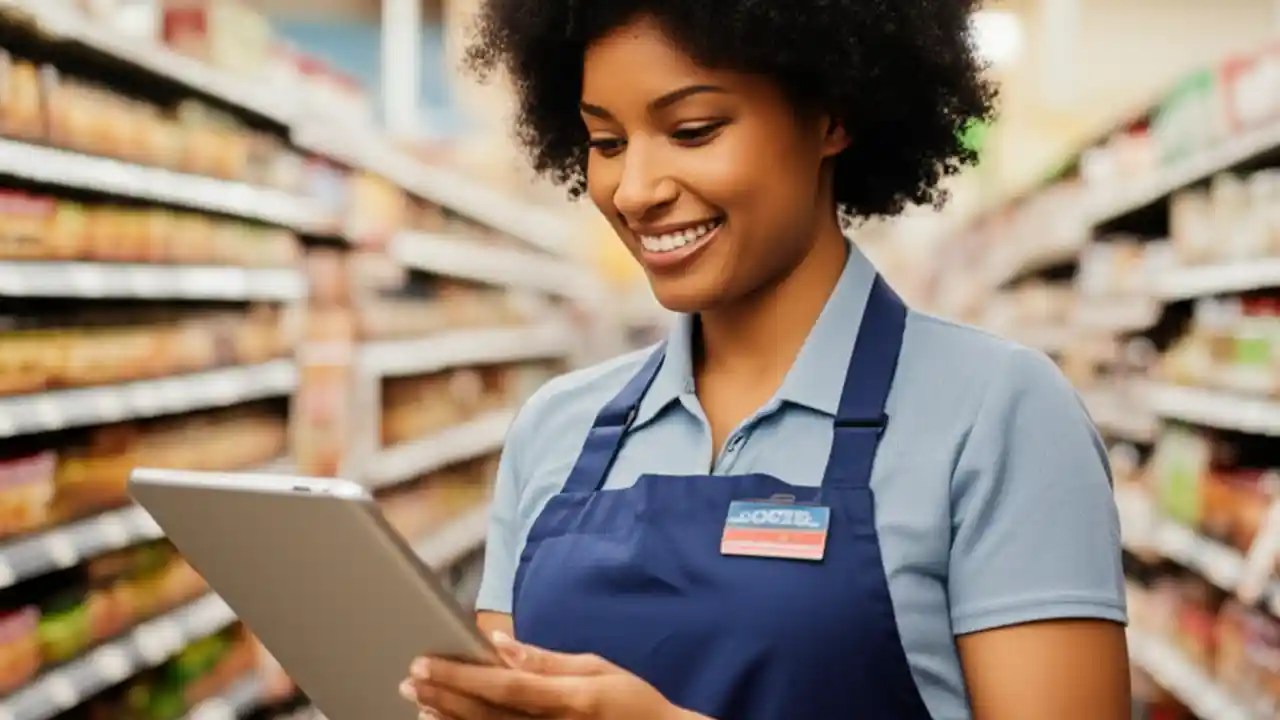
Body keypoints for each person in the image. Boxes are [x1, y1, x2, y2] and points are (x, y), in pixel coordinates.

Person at [401, 1, 1130, 717]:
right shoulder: (555, 427)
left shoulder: (997, 413)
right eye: (607, 142)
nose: (635, 191)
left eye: (693, 131)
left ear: (832, 115)